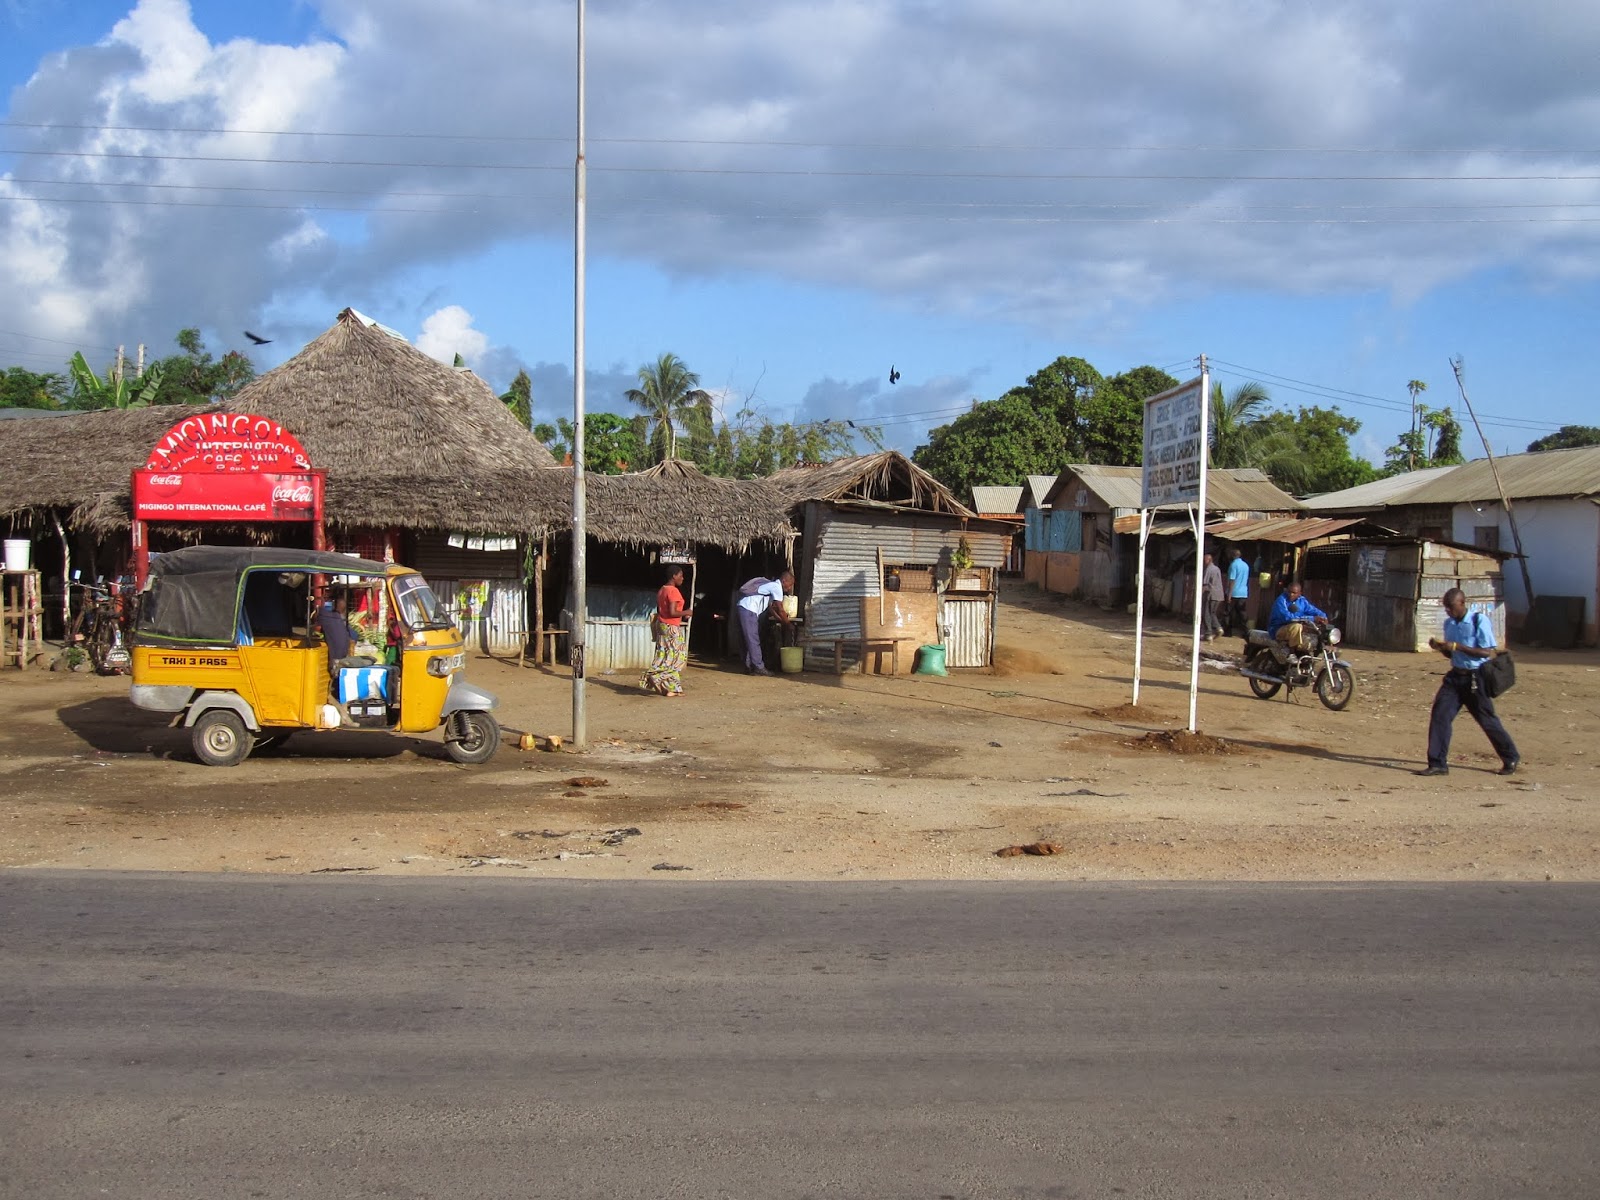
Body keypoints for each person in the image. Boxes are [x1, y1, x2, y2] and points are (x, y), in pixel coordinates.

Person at [1417, 587, 1519, 777]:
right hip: (1455, 677)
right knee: (1440, 715)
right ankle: (1437, 763)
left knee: (1487, 720)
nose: (1448, 611)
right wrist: (1441, 647)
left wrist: (1457, 646)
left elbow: (1486, 652)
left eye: (1451, 607)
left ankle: (1510, 756)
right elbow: (1451, 653)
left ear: (1462, 603)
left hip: (1476, 677)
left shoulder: (1478, 621)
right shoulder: (1449, 624)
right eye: (1446, 607)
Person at [642, 565, 692, 696]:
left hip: (662, 625)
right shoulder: (673, 591)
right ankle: (656, 676)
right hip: (671, 627)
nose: (682, 578)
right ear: (674, 576)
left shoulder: (662, 590)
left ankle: (673, 689)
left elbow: (665, 610)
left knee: (666, 655)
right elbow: (672, 612)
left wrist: (682, 613)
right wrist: (687, 611)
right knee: (678, 657)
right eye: (680, 575)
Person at [737, 570, 794, 676]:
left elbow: (771, 609)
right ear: (784, 580)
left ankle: (749, 667)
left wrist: (781, 620)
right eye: (789, 585)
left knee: (747, 638)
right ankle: (759, 667)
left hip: (743, 608)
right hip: (749, 610)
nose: (789, 588)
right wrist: (787, 624)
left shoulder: (770, 586)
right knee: (753, 639)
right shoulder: (776, 587)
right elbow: (780, 609)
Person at [1266, 581, 1328, 655]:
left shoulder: (1302, 601)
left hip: (1293, 628)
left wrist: (1323, 617)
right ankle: (1292, 653)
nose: (1291, 595)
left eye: (1294, 593)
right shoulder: (1281, 600)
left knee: (1315, 630)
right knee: (1297, 626)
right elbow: (1289, 618)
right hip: (1278, 629)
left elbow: (1312, 610)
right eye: (1289, 592)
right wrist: (1312, 618)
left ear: (1299, 593)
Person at [1225, 548, 1250, 635]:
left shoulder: (1233, 565)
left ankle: (1228, 631)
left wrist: (1229, 594)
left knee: (1228, 613)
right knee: (1242, 612)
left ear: (1232, 556)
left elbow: (1232, 580)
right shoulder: (1246, 565)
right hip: (1243, 592)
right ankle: (1245, 631)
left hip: (1234, 592)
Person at [1200, 552, 1225, 641]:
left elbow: (1205, 584)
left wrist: (1199, 595)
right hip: (1219, 595)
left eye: (1204, 560)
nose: (1203, 561)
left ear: (1208, 560)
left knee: (1206, 613)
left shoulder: (1208, 569)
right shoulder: (1217, 568)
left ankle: (1208, 633)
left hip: (1211, 594)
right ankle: (1218, 628)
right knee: (1212, 613)